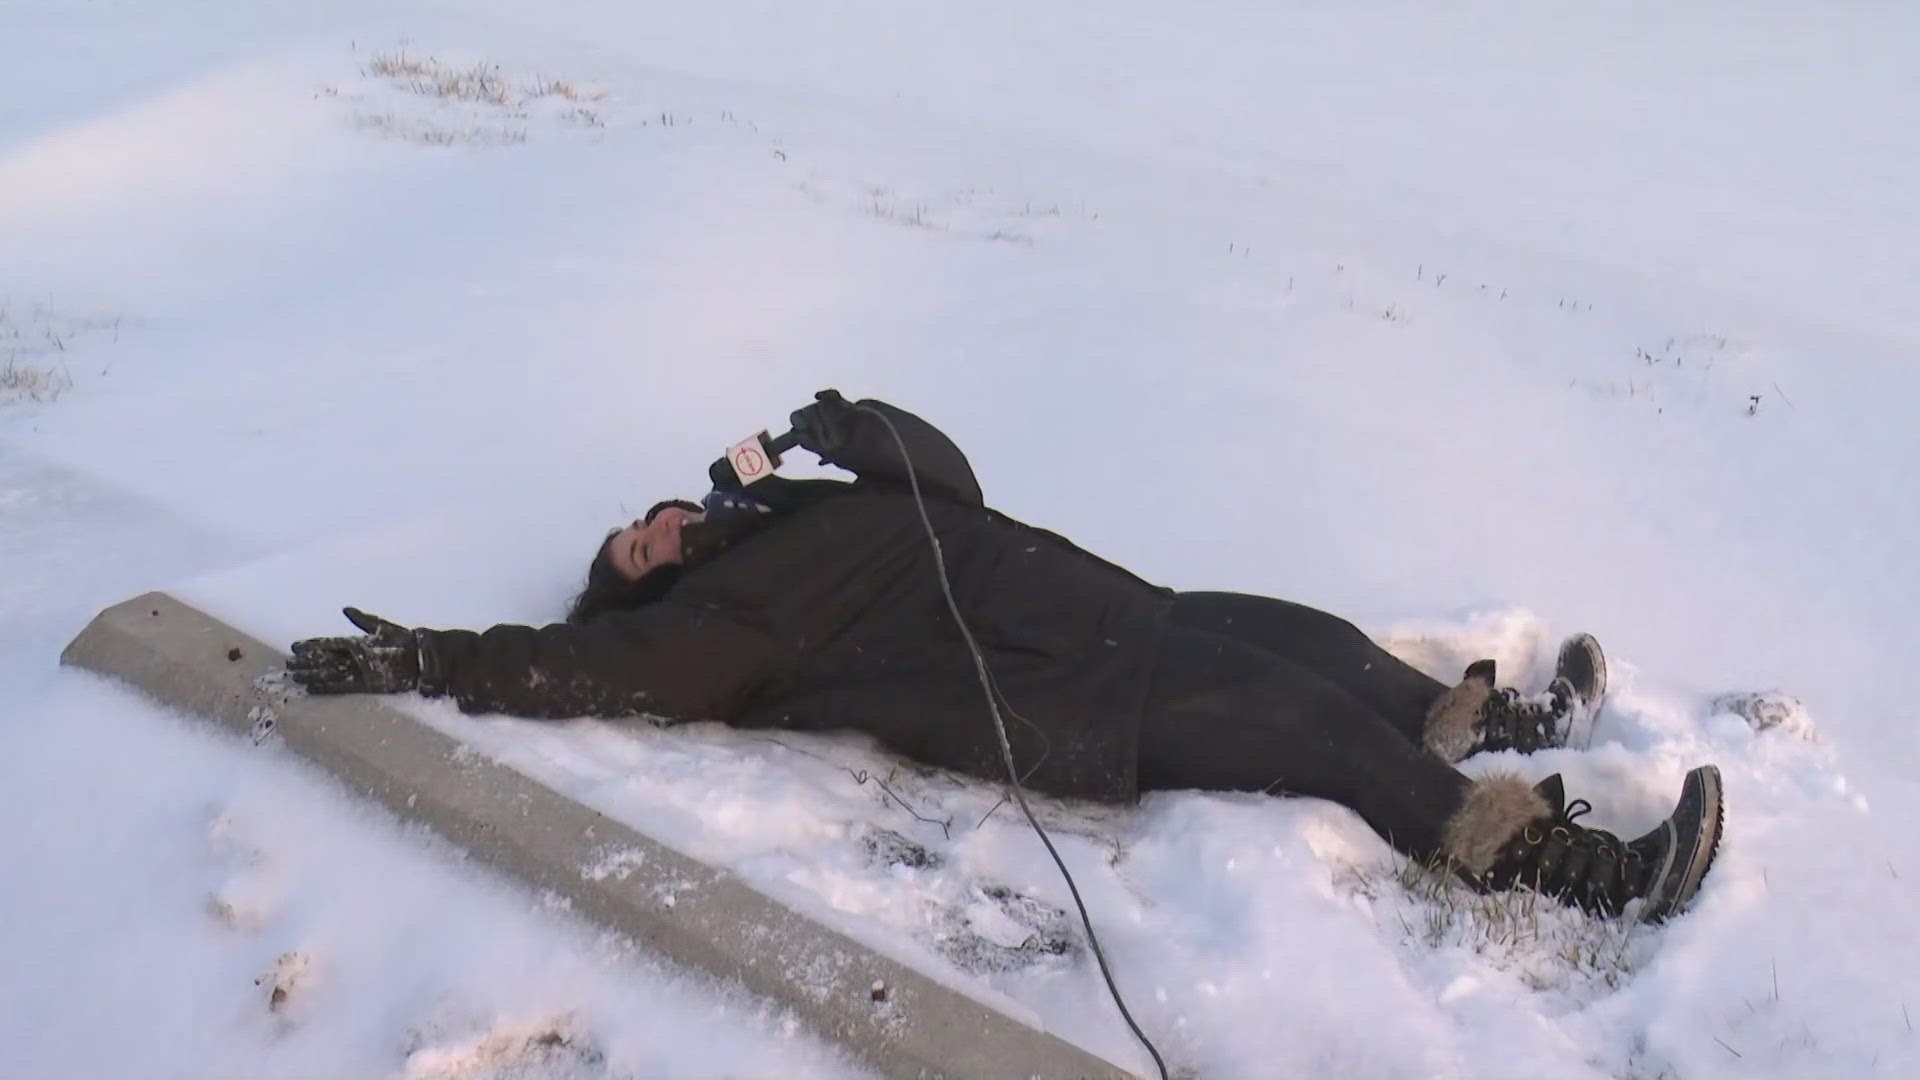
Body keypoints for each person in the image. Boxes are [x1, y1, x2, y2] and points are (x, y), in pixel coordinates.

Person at [289, 390, 1722, 922]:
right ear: (645, 593)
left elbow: (946, 482)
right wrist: (439, 659)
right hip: (1075, 696)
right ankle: (1580, 876)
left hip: (1123, 608)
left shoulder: (785, 514)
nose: (657, 532)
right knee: (1324, 736)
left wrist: (835, 425)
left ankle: (1503, 730)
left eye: (649, 522)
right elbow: (609, 673)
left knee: (1329, 650)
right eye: (638, 556)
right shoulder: (719, 630)